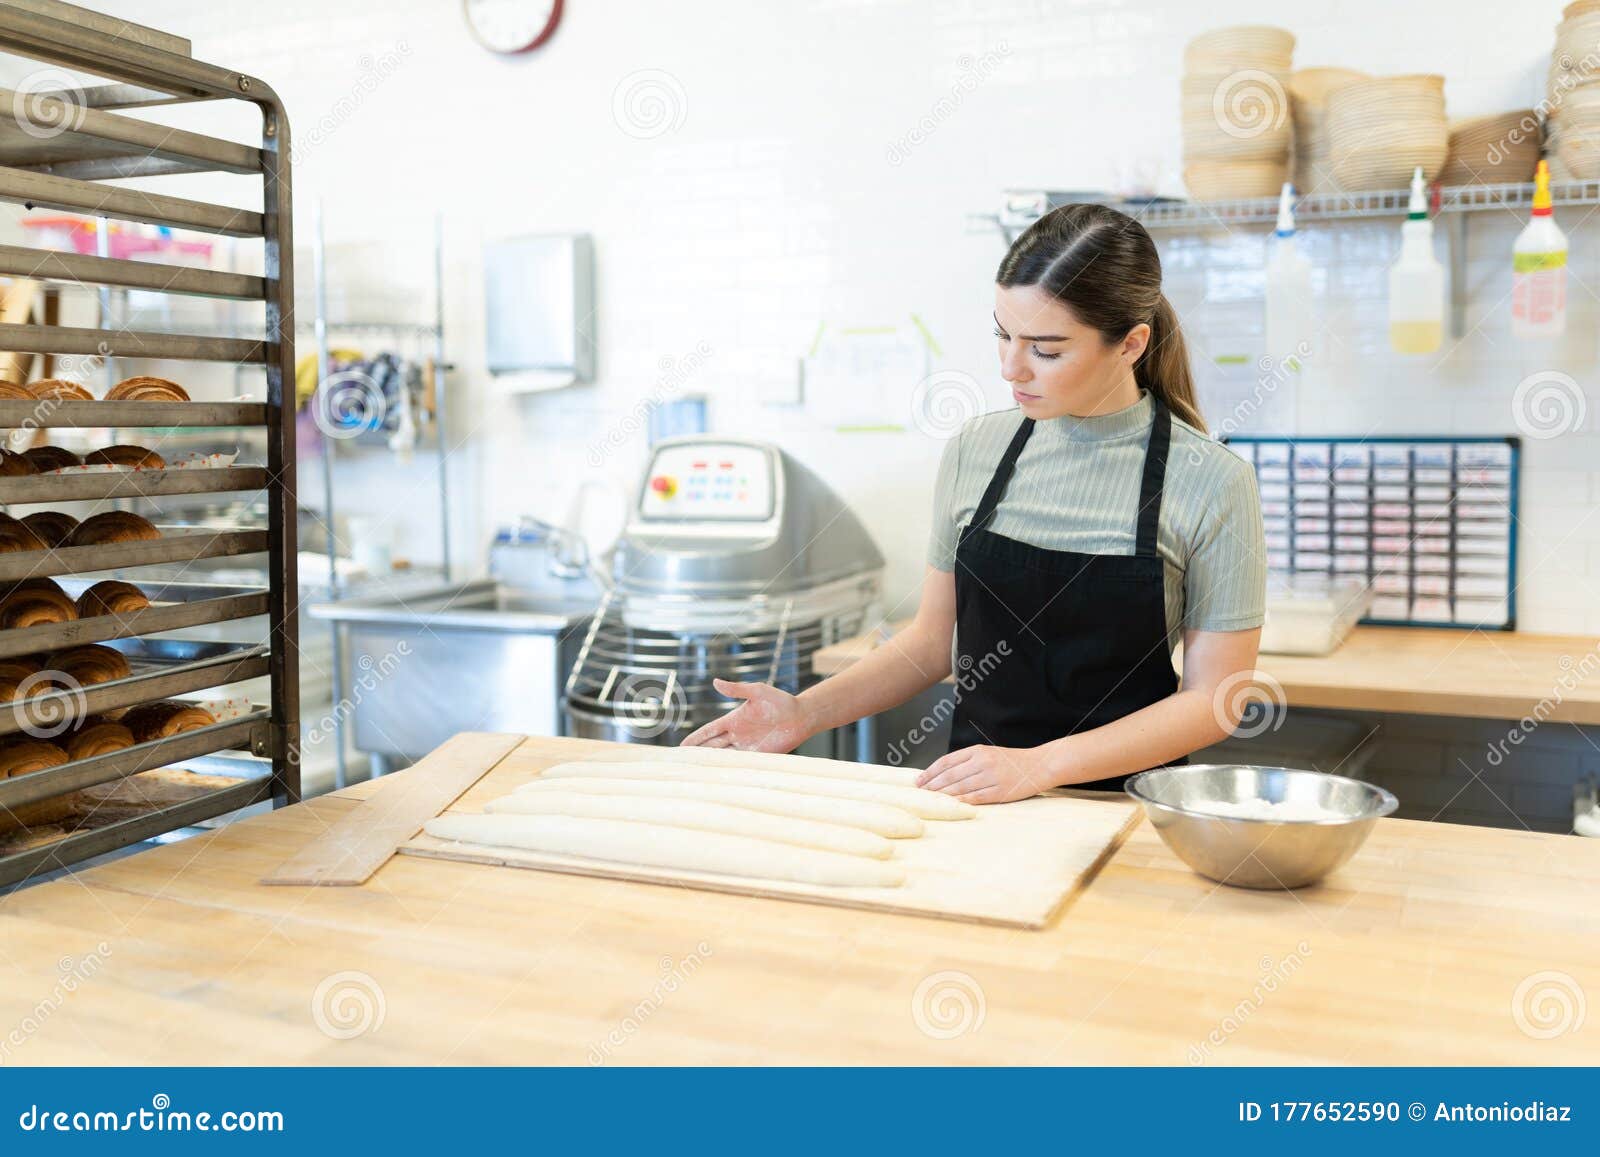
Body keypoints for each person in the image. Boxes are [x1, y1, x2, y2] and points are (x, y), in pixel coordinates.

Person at [682, 203, 1267, 803]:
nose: (1011, 368)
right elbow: (930, 642)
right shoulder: (976, 449)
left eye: (1046, 349)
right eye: (1002, 334)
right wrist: (803, 713)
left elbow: (1213, 701)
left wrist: (1039, 767)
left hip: (1127, 810)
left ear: (1131, 345)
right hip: (975, 801)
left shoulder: (1212, 481)